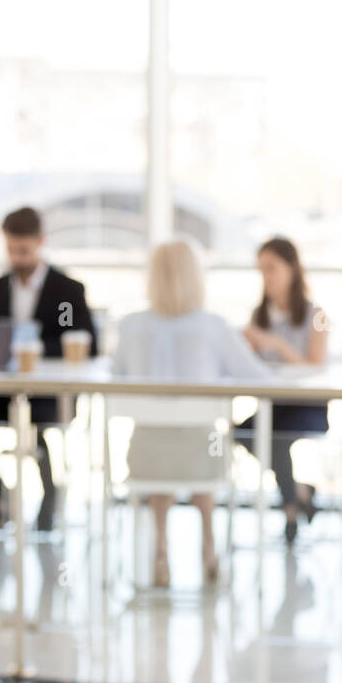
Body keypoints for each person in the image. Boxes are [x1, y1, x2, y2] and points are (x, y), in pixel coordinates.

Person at [111, 238, 276, 587]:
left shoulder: (130, 326)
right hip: (202, 455)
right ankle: (208, 545)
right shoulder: (213, 326)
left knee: (162, 449)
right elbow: (257, 377)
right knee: (202, 441)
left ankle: (160, 549)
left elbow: (116, 378)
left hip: (144, 456)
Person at [0, 206, 99, 531]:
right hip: (2, 392)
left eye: (24, 250)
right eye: (12, 250)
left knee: (36, 427)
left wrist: (26, 348)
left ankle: (48, 506)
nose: (18, 258)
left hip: (49, 395)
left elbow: (86, 343)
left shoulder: (67, 291)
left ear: (41, 242)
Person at [235, 237, 330, 544]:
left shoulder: (316, 315)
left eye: (272, 269)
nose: (266, 278)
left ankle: (289, 511)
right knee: (239, 434)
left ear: (292, 269)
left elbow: (316, 365)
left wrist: (276, 345)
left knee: (273, 439)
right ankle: (301, 492)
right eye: (261, 270)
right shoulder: (258, 317)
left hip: (308, 406)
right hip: (273, 405)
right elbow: (248, 368)